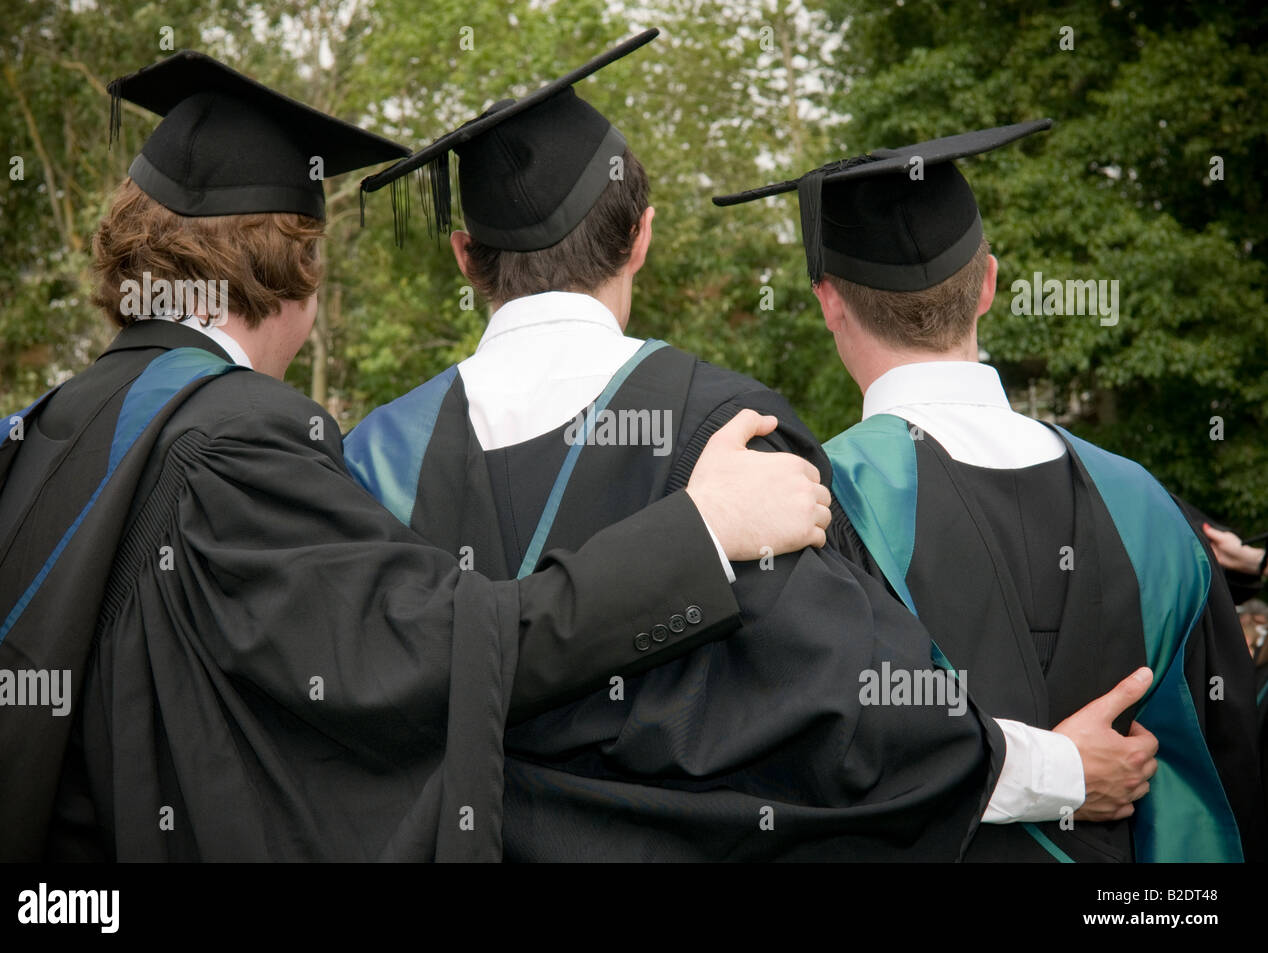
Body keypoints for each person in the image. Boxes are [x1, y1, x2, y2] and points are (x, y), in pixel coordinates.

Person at [0, 52, 832, 862]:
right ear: (298, 274)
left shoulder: (26, 437)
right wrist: (704, 530)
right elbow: (446, 649)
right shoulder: (234, 441)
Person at [346, 32, 1157, 859]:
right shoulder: (731, 431)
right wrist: (1057, 769)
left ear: (464, 257)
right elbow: (846, 705)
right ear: (641, 239)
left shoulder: (370, 459)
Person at [714, 121, 1268, 861]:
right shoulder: (1149, 508)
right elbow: (1225, 776)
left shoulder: (805, 505)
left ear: (828, 303)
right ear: (990, 284)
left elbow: (796, 765)